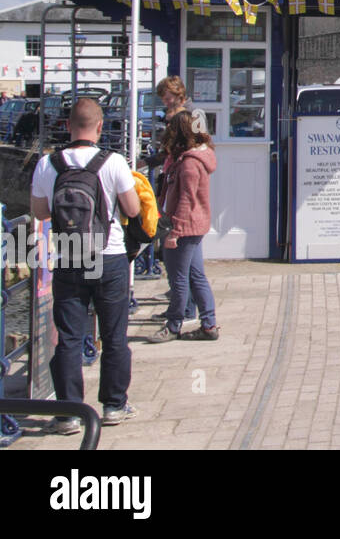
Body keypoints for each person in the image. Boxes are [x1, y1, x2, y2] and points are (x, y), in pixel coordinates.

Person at [29, 97, 142, 434]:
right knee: (114, 336)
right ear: (100, 126)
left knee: (69, 338)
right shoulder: (114, 162)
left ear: (67, 126)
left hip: (69, 258)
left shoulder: (48, 164)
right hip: (108, 258)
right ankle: (113, 406)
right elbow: (133, 210)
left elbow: (38, 212)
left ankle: (67, 414)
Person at [150, 110, 219, 342]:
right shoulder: (198, 157)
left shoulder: (189, 164)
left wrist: (174, 233)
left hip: (184, 226)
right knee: (196, 275)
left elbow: (185, 200)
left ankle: (173, 325)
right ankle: (209, 325)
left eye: (171, 127)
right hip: (194, 225)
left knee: (178, 278)